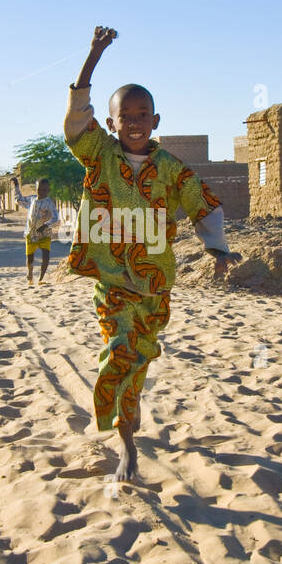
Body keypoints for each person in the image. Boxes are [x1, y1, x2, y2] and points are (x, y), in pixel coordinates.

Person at [63, 25, 241, 481]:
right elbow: (76, 114)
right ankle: (127, 447)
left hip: (156, 284)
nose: (136, 122)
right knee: (120, 352)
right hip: (112, 282)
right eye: (127, 115)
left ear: (157, 121)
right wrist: (93, 55)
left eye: (144, 114)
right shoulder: (98, 154)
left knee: (140, 354)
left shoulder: (171, 170)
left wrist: (217, 249)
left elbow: (205, 206)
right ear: (112, 123)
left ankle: (130, 403)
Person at [12, 176, 59, 285]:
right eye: (39, 189)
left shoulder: (49, 203)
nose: (42, 192)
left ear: (48, 190)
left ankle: (41, 278)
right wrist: (16, 186)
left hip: (45, 234)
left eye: (45, 190)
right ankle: (30, 274)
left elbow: (55, 217)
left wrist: (45, 225)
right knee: (30, 258)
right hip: (31, 232)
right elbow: (18, 199)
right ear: (36, 189)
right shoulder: (32, 199)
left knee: (46, 257)